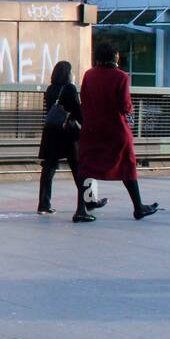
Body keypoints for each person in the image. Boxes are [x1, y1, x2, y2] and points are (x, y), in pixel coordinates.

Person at [78, 41, 159, 220]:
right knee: (127, 165)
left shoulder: (89, 75)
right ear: (114, 56)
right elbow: (125, 105)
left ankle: (81, 210)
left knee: (86, 167)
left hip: (91, 129)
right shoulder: (121, 77)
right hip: (116, 129)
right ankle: (138, 207)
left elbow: (83, 98)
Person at [37, 61, 107, 222]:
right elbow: (77, 110)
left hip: (51, 133)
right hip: (68, 134)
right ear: (67, 73)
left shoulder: (50, 89)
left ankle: (43, 205)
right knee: (80, 169)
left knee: (49, 169)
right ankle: (89, 202)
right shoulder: (69, 88)